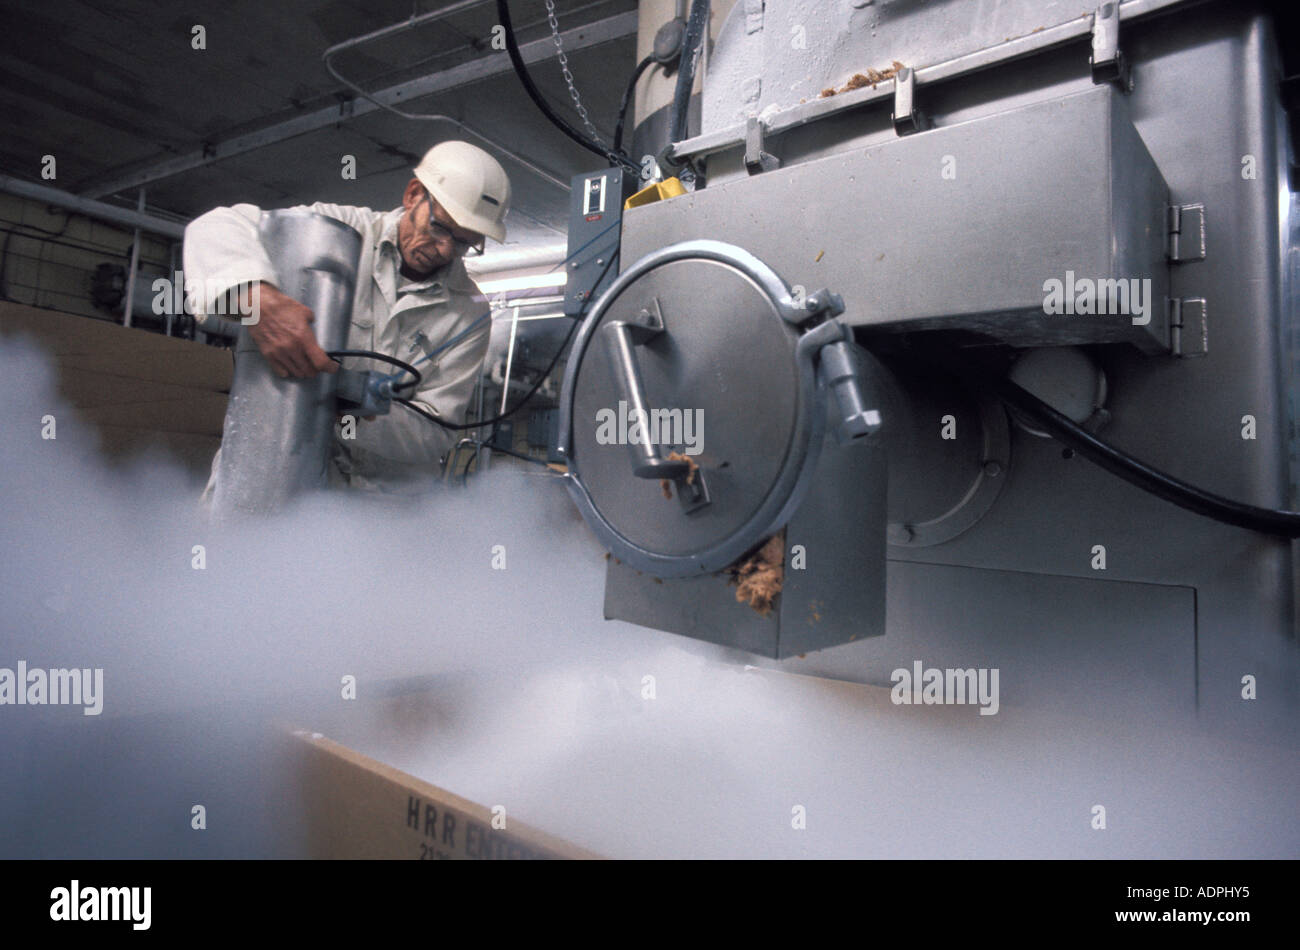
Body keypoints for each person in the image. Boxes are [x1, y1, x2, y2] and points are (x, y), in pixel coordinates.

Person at [184, 140, 510, 493]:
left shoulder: (469, 311)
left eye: (464, 242)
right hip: (265, 475)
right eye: (440, 228)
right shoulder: (332, 231)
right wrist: (257, 298)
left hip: (374, 510)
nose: (447, 249)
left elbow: (437, 432)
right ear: (414, 194)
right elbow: (216, 225)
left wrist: (353, 410)